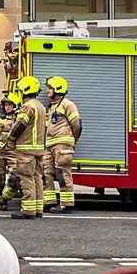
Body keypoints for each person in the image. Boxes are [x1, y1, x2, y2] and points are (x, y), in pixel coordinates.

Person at [6, 76, 46, 220]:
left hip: (26, 149)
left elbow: (20, 125)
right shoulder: (40, 106)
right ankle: (38, 209)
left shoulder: (28, 106)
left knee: (26, 179)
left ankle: (28, 210)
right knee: (37, 178)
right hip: (38, 150)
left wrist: (10, 138)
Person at [42, 76, 83, 213]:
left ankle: (67, 204)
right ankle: (49, 201)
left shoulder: (67, 104)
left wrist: (71, 140)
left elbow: (77, 125)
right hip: (49, 146)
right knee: (46, 173)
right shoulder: (53, 106)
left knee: (62, 174)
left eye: (50, 88)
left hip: (62, 146)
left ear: (58, 89)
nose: (47, 91)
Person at [0, 91, 21, 210]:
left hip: (13, 152)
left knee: (16, 177)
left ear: (15, 105)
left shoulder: (19, 118)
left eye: (10, 105)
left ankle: (5, 197)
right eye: (5, 105)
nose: (7, 107)